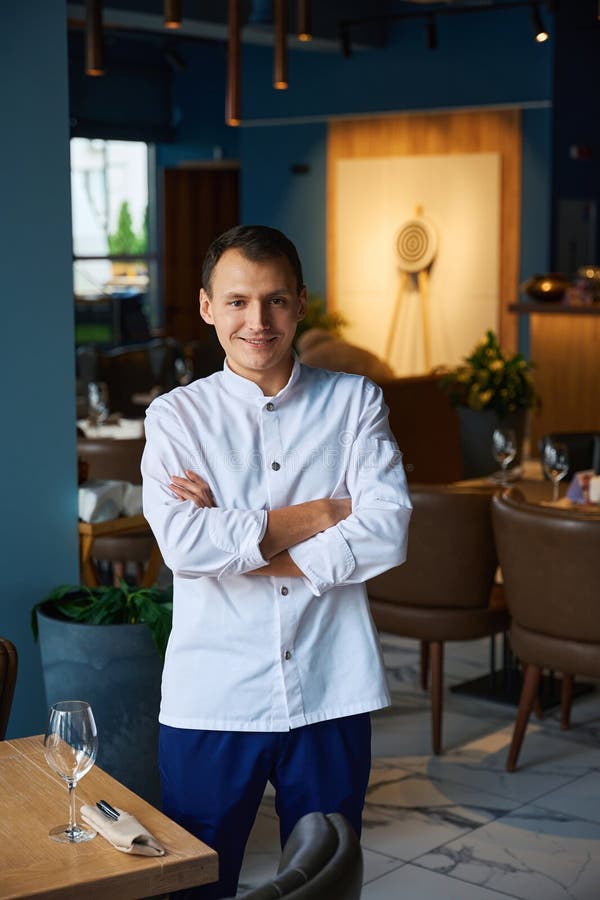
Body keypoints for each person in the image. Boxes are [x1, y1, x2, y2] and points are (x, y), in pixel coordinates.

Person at [141, 225, 412, 898]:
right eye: (237, 302)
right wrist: (320, 514)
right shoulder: (177, 418)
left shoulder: (355, 402)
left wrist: (237, 544)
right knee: (195, 883)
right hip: (213, 698)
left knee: (326, 879)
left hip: (330, 689)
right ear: (207, 307)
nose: (257, 321)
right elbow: (184, 546)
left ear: (300, 303)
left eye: (275, 301)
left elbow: (387, 531)